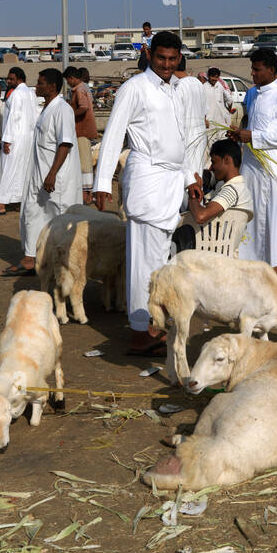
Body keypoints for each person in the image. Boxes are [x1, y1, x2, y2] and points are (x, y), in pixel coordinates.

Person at [92, 31, 200, 355]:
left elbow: (177, 143)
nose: (166, 65)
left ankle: (152, 325)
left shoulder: (175, 90)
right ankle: (140, 332)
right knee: (143, 264)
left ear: (179, 57)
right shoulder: (134, 88)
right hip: (146, 182)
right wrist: (101, 183)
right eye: (161, 58)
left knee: (158, 262)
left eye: (172, 59)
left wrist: (189, 177)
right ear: (150, 54)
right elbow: (113, 135)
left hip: (170, 185)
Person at [5, 69, 82, 276]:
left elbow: (65, 143)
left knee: (59, 217)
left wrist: (52, 174)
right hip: (39, 172)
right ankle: (32, 257)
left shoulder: (62, 109)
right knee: (32, 211)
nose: (36, 87)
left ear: (52, 87)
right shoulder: (46, 109)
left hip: (55, 175)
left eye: (40, 83)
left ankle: (61, 262)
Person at [228, 48, 277, 264]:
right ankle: (253, 267)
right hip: (253, 170)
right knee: (252, 218)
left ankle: (276, 268)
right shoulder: (256, 95)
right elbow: (255, 128)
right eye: (252, 69)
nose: (253, 74)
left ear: (271, 70)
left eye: (257, 69)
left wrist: (254, 137)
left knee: (273, 225)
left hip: (273, 172)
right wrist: (241, 136)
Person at [0, 67, 36, 215]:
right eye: (8, 79)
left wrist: (7, 140)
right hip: (27, 138)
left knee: (8, 169)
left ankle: (1, 205)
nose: (8, 81)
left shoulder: (17, 94)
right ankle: (19, 202)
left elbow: (13, 118)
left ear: (19, 78)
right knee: (22, 170)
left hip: (15, 137)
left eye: (11, 79)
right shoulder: (30, 93)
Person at [185, 138, 253, 226]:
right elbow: (209, 178)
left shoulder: (233, 190)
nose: (212, 167)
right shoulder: (227, 184)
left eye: (214, 162)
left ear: (227, 160)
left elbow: (200, 217)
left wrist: (192, 193)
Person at [63, 68, 99, 203]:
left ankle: (87, 196)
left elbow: (83, 108)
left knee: (84, 163)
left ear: (72, 78)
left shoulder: (79, 90)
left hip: (82, 129)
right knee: (85, 161)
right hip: (82, 129)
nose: (68, 83)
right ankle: (87, 194)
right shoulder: (83, 88)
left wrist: (69, 114)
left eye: (68, 80)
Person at [173, 56, 210, 177]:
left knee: (186, 178)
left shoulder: (178, 86)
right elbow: (205, 112)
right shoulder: (197, 83)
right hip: (199, 137)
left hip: (186, 139)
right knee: (196, 173)